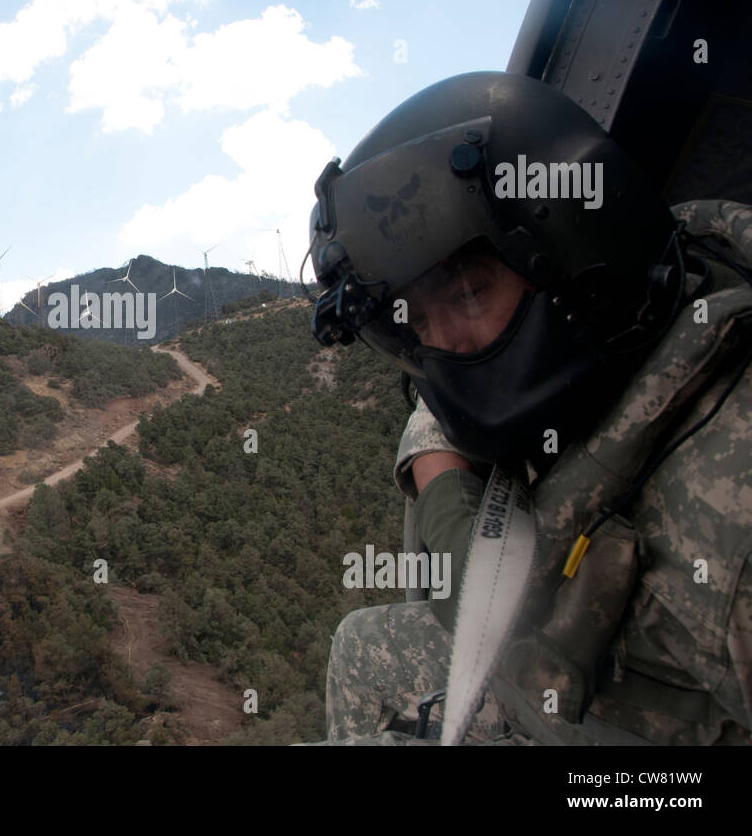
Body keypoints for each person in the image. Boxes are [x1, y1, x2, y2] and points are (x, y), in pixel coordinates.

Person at [306, 71, 752, 745]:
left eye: (467, 295)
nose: (446, 348)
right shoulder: (651, 301)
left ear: (577, 245)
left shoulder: (730, 531)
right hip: (571, 685)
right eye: (418, 322)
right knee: (360, 643)